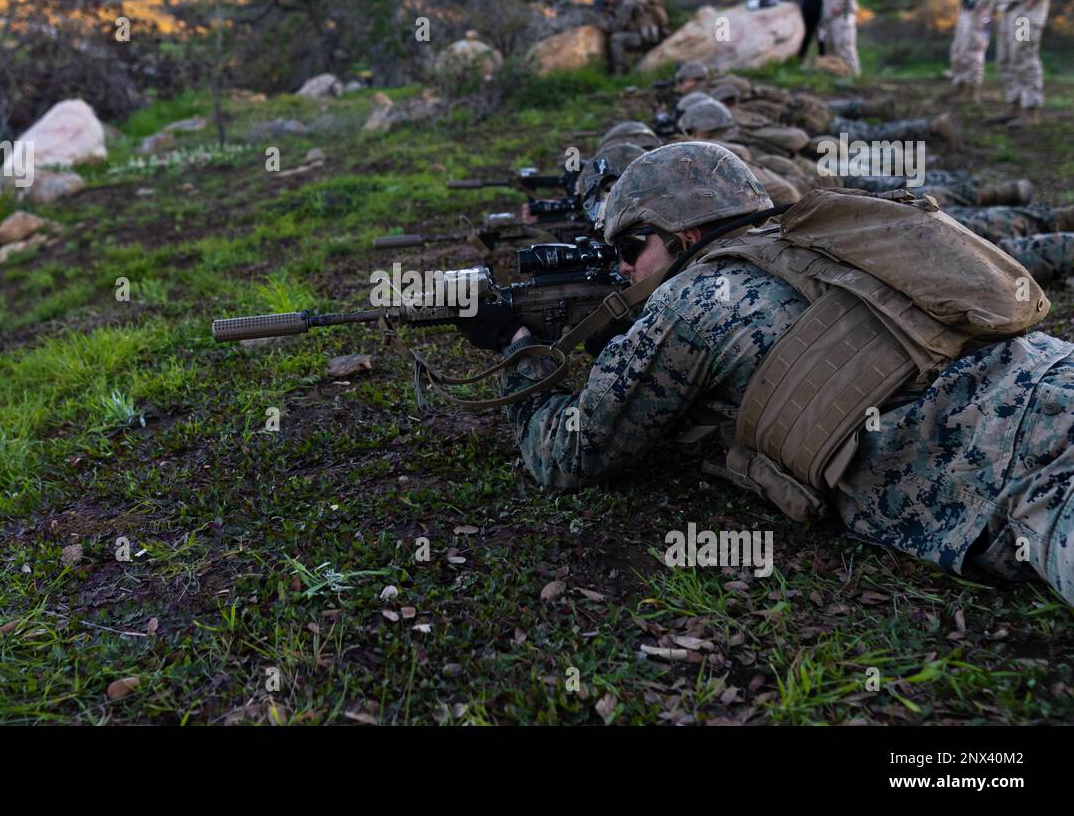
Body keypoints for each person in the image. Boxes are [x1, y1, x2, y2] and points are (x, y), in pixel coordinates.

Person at [460, 142, 1074, 605]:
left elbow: (567, 455)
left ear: (684, 236)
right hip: (1049, 371)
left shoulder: (691, 302)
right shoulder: (815, 236)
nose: (622, 270)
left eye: (630, 248)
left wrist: (515, 343)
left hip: (1020, 472)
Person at [596, 0, 669, 75]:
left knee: (616, 39)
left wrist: (606, 19)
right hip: (651, 35)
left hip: (646, 38)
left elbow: (617, 27)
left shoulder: (627, 3)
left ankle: (619, 73)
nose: (608, 0)